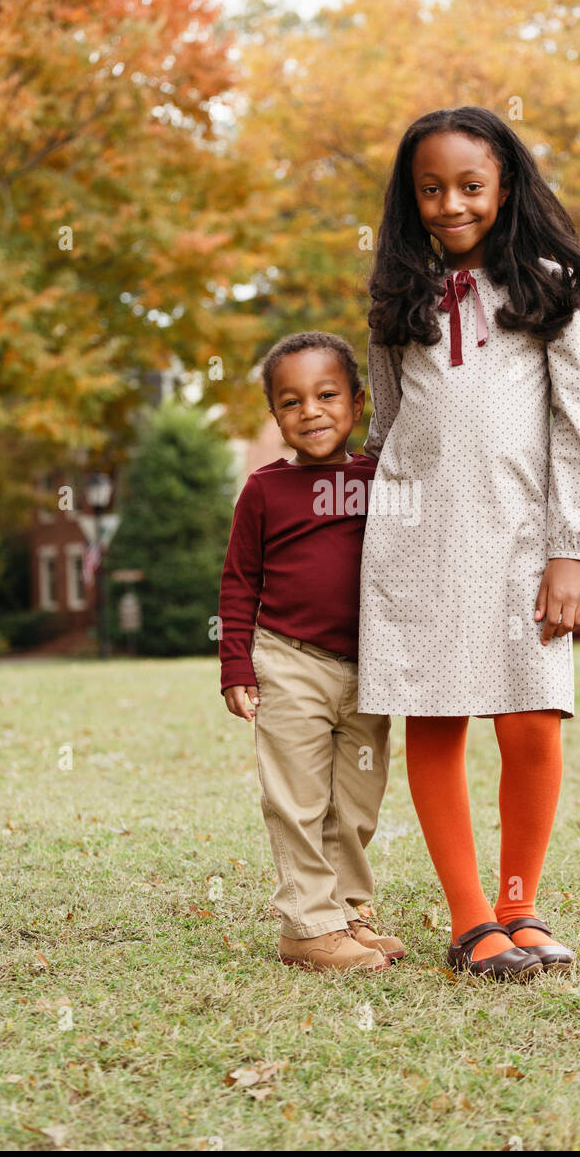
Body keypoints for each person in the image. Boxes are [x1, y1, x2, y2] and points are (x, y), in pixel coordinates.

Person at [357, 106, 580, 981]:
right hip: (417, 534)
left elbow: (579, 422)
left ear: (505, 186)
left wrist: (573, 547)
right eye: (431, 189)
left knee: (533, 719)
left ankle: (518, 905)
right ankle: (472, 924)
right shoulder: (397, 297)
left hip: (522, 536)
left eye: (470, 185)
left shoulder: (550, 285)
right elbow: (388, 421)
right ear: (411, 198)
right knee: (436, 715)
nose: (451, 204)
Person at [218, 330, 404, 972]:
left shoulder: (382, 477)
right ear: (275, 417)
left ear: (357, 402)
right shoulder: (265, 491)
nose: (311, 412)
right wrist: (235, 664)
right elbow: (238, 580)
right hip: (290, 660)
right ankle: (305, 925)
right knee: (296, 797)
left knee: (355, 798)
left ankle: (348, 911)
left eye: (327, 395)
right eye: (291, 402)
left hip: (371, 667)